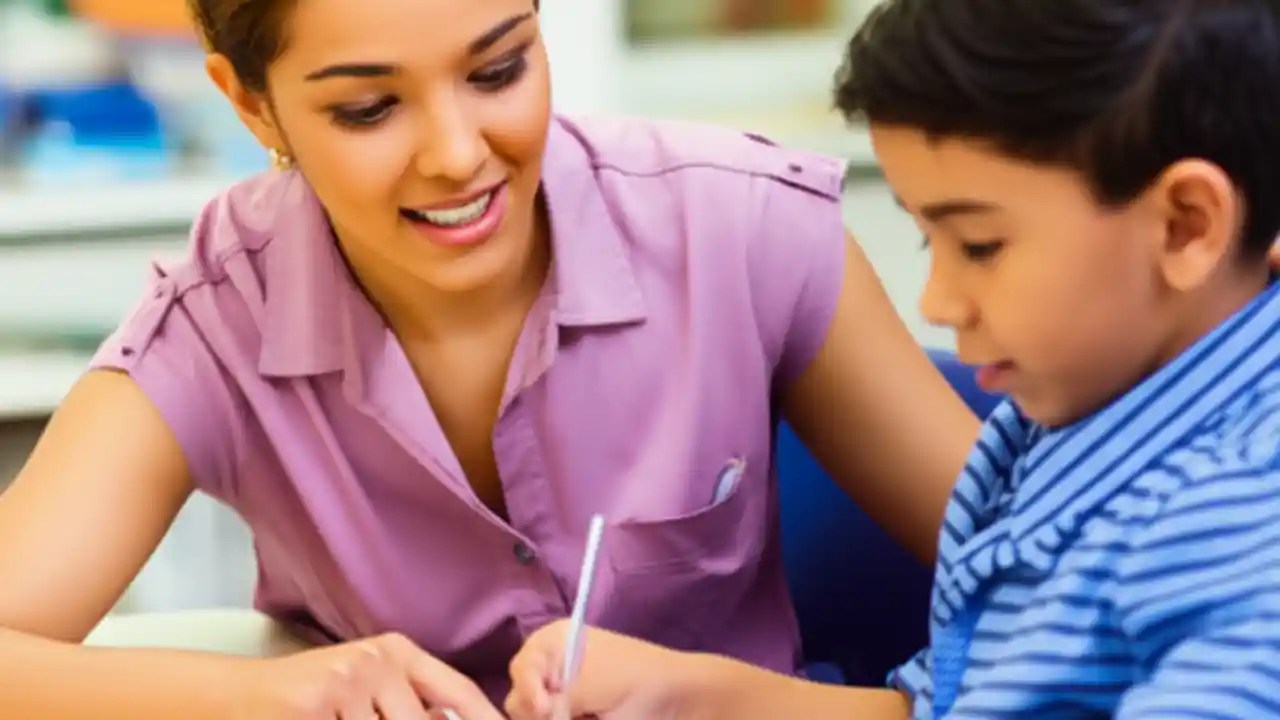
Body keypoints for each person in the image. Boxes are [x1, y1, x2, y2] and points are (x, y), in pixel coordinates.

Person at [0, 0, 985, 717]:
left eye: (497, 70)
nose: (456, 154)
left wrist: (733, 703)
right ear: (253, 108)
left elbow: (1091, 594)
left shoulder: (742, 228)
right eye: (368, 109)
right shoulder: (217, 319)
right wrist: (271, 696)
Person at [505, 0, 1280, 718]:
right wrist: (689, 692)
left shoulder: (1239, 526)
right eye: (927, 240)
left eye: (980, 245)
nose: (937, 300)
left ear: (1185, 225)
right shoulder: (1059, 425)